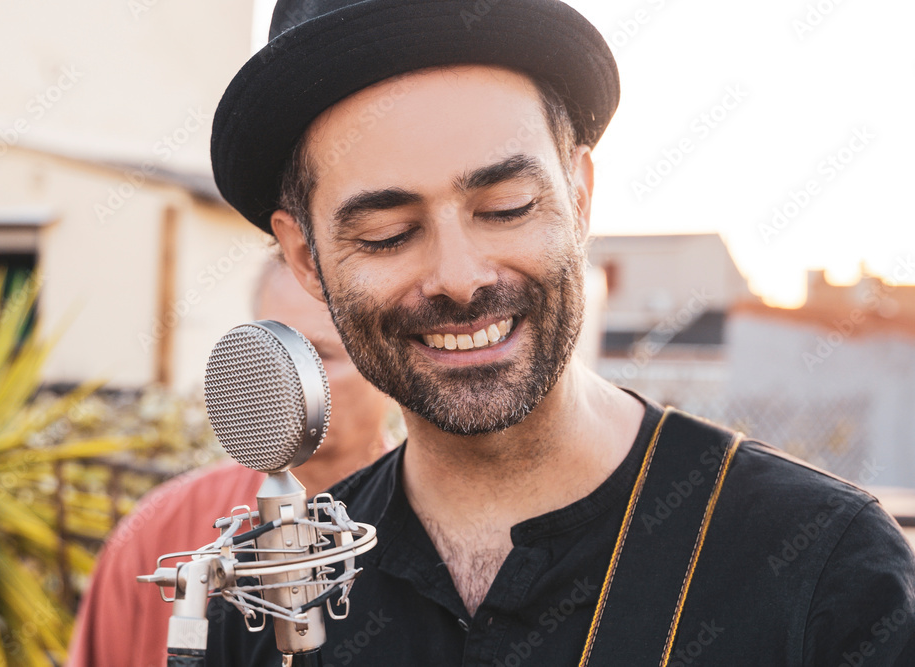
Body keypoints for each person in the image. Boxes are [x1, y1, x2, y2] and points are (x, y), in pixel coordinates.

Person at [205, 1, 915, 665]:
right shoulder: (271, 592)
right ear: (306, 258)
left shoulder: (824, 568)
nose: (460, 275)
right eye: (388, 234)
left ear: (578, 196)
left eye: (507, 207)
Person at [67, 258, 395, 667]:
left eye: (320, 355)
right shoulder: (159, 529)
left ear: (388, 368)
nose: (286, 379)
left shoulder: (429, 528)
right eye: (271, 353)